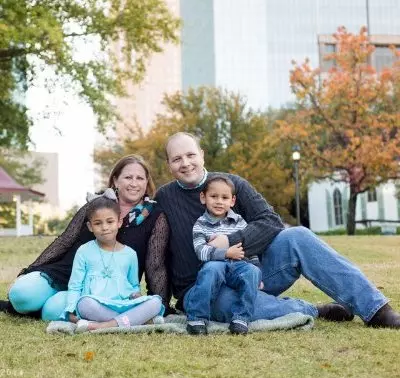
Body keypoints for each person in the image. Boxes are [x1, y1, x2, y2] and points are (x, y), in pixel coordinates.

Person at [156, 132, 400, 329]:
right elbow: (154, 248)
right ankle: (315, 310)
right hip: (203, 288)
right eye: (177, 159)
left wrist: (230, 242)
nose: (185, 163)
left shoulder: (232, 185)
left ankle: (376, 310)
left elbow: (270, 221)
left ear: (202, 155)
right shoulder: (164, 198)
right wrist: (161, 302)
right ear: (169, 165)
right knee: (239, 306)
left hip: (249, 273)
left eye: (190, 155)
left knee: (298, 236)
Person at [2, 155, 171, 320]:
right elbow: (64, 240)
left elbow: (155, 264)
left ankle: (52, 304)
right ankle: (39, 297)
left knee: (52, 310)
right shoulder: (97, 204)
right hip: (63, 272)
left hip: (100, 289)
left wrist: (160, 304)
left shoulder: (155, 216)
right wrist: (31, 270)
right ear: (115, 180)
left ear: (147, 182)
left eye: (140, 178)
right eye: (128, 177)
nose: (134, 183)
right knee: (20, 294)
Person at [62, 195, 163, 332]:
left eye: (110, 222)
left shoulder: (130, 254)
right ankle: (138, 321)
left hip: (123, 304)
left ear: (119, 222)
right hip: (97, 304)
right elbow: (75, 285)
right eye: (98, 223)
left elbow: (133, 286)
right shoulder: (84, 251)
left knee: (155, 302)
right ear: (90, 226)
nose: (105, 227)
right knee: (84, 304)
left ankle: (102, 325)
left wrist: (138, 297)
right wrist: (70, 309)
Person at [187, 175, 262, 335]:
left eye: (225, 197)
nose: (219, 201)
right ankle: (197, 318)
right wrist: (226, 252)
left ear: (232, 201)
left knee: (253, 272)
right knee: (210, 270)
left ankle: (241, 319)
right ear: (203, 197)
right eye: (214, 196)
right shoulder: (200, 225)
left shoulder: (240, 222)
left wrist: (257, 270)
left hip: (238, 266)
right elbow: (201, 251)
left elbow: (250, 248)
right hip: (215, 265)